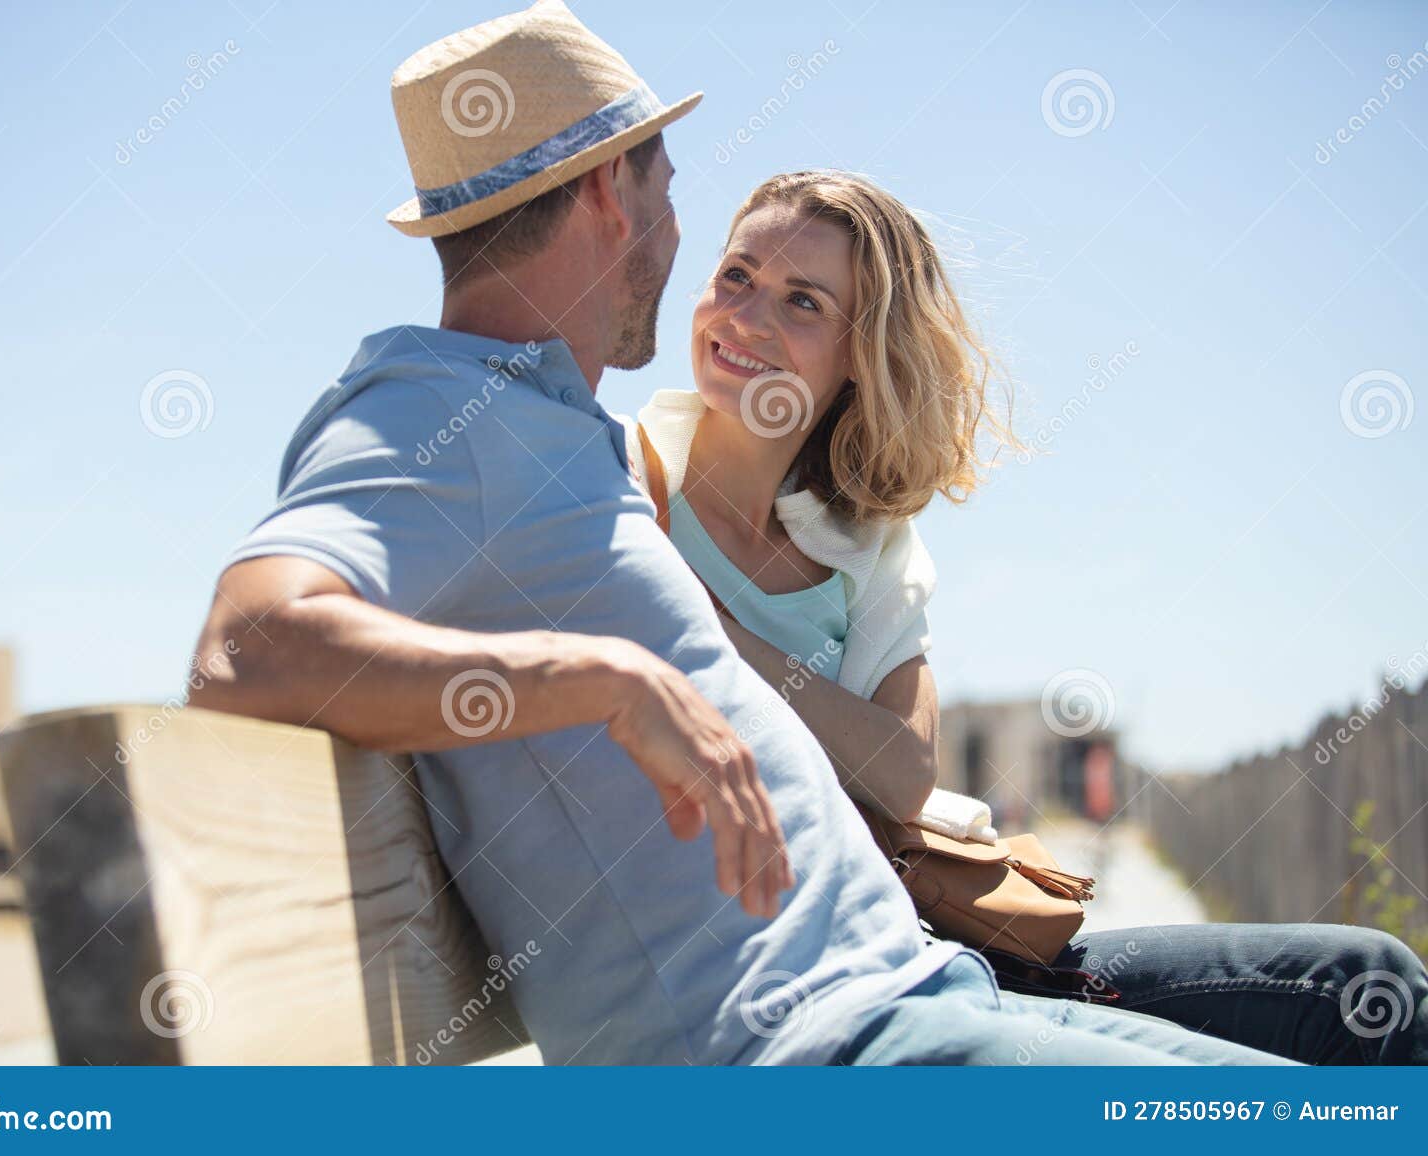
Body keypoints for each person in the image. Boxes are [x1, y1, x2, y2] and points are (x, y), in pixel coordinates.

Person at [188, 0, 1305, 1064]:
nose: (681, 244)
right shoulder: (437, 405)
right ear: (607, 199)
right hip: (807, 1051)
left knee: (1376, 1020)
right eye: (671, 196)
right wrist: (607, 677)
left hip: (902, 996)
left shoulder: (561, 432)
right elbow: (245, 648)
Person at [623, 167, 1428, 1065]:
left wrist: (706, 631)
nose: (749, 316)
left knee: (1373, 982)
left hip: (943, 940)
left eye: (802, 301)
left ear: (861, 353)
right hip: (807, 986)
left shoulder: (868, 546)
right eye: (737, 276)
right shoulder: (621, 484)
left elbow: (901, 775)